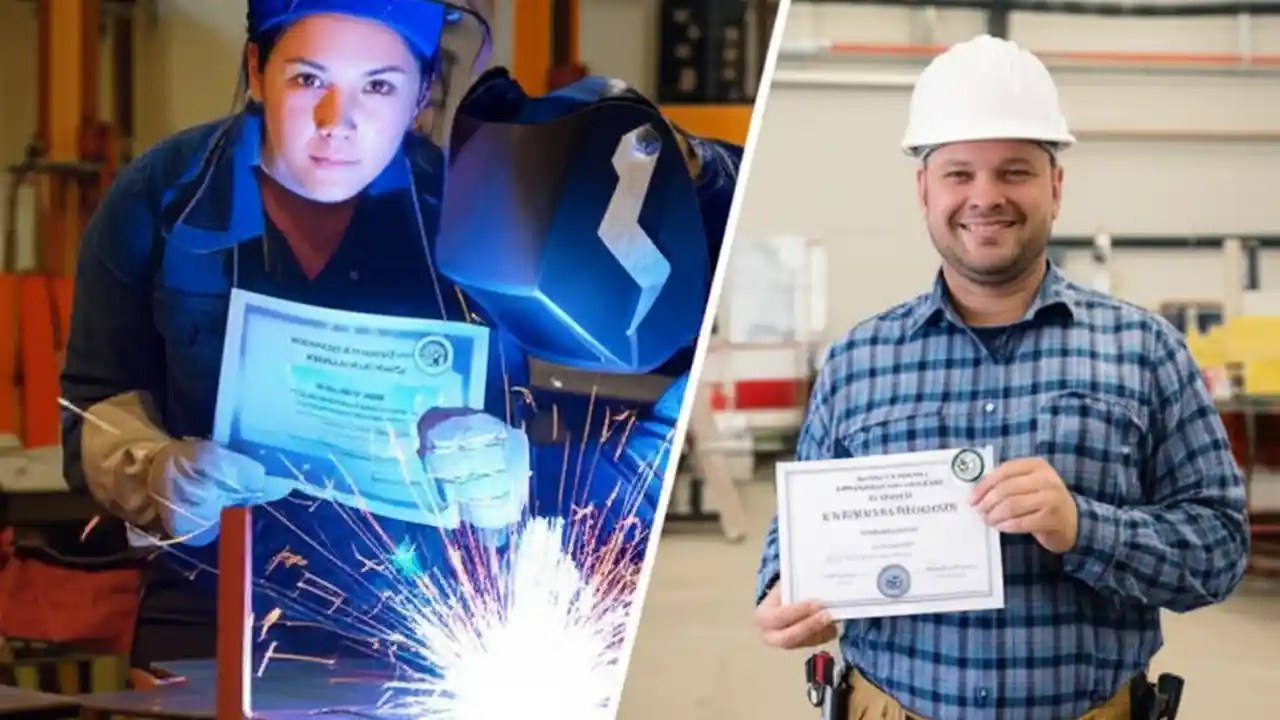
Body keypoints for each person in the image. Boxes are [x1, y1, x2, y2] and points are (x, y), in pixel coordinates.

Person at [58, 0, 741, 675]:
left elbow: (579, 407)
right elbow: (92, 401)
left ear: (421, 91)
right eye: (308, 79)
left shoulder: (479, 208)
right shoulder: (163, 196)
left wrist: (515, 475)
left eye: (378, 85)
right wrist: (148, 471)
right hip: (210, 618)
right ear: (258, 68)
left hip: (429, 626)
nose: (338, 122)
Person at [753, 34, 1248, 720]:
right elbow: (796, 537)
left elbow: (1220, 550)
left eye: (1014, 171)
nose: (985, 197)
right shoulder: (855, 360)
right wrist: (782, 593)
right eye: (959, 173)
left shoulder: (1146, 350)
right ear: (924, 189)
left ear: (1056, 185)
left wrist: (1084, 526)